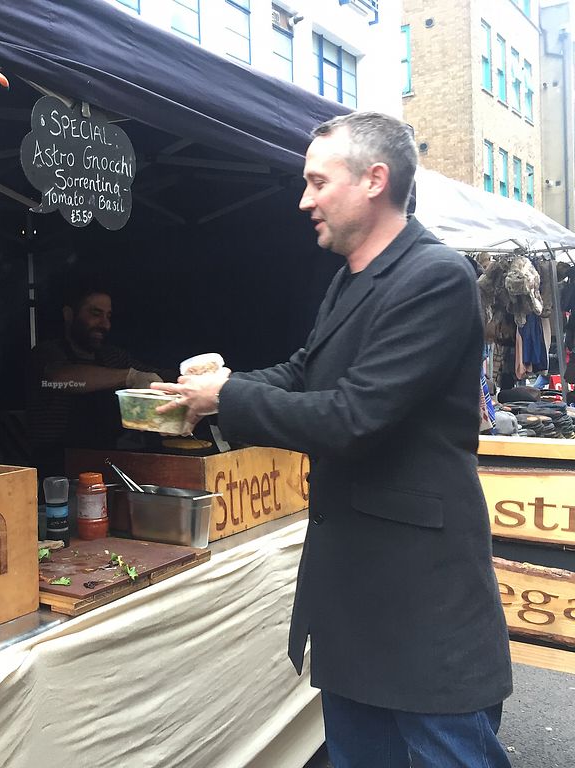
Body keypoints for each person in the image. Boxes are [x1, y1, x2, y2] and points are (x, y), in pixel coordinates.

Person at [154, 112, 512, 767]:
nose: (304, 200)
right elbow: (305, 371)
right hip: (354, 596)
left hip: (421, 597)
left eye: (317, 182)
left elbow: (354, 420)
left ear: (374, 180)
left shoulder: (435, 277)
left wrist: (227, 397)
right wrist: (210, 394)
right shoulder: (353, 278)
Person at [26, 278, 170, 477]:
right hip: (55, 471)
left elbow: (154, 376)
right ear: (69, 315)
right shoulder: (47, 353)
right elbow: (61, 378)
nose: (105, 324)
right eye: (95, 314)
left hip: (108, 465)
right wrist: (129, 377)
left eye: (108, 316)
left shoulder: (114, 357)